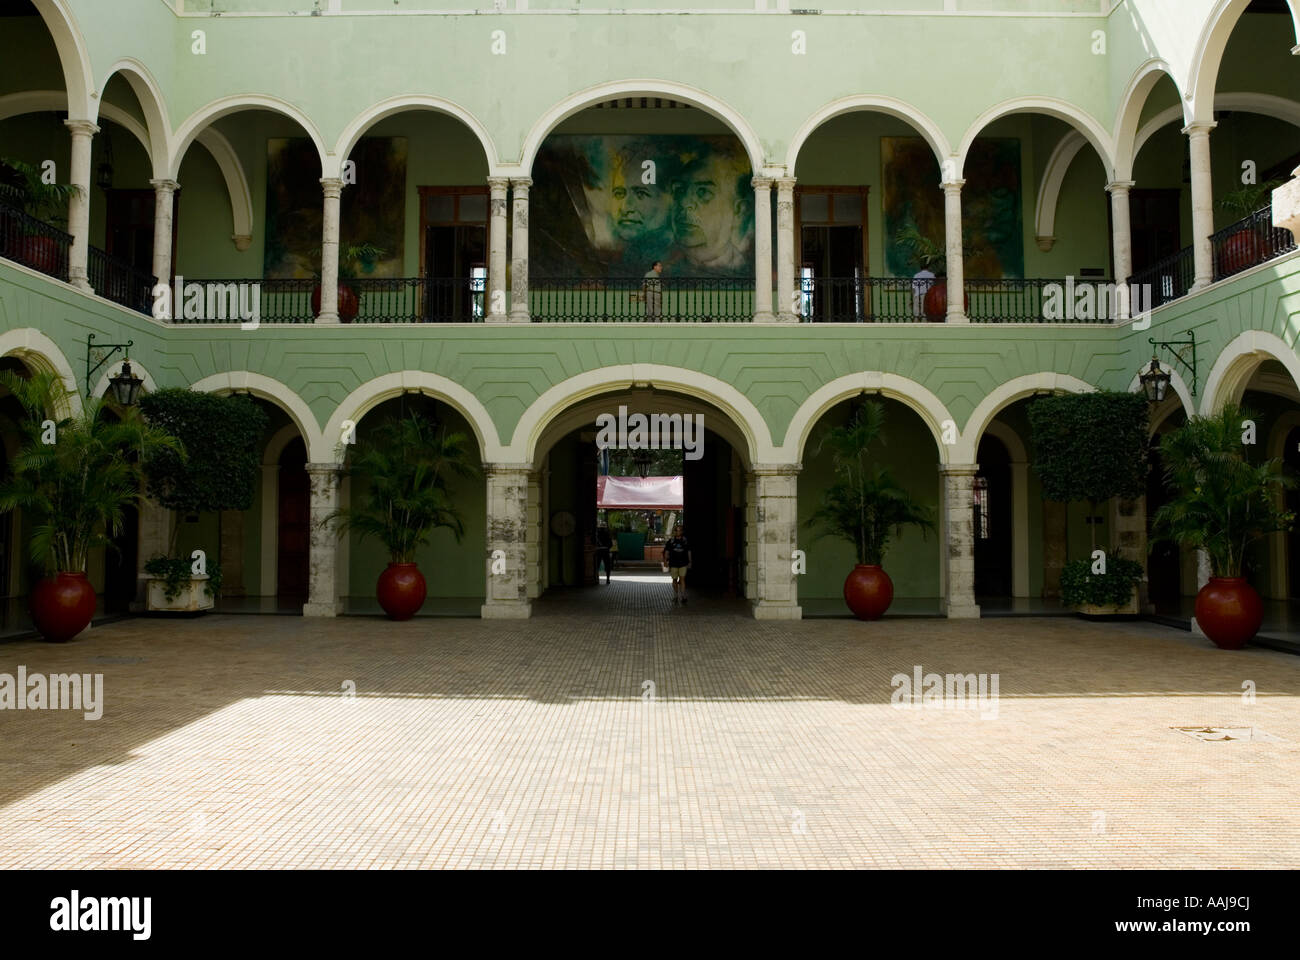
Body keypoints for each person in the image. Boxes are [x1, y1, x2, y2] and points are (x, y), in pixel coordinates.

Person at [664, 523, 692, 606]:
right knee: (674, 580)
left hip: (683, 563)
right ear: (674, 531)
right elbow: (667, 551)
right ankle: (676, 595)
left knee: (682, 579)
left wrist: (690, 561)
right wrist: (665, 560)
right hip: (673, 563)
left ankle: (683, 596)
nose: (678, 532)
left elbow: (688, 551)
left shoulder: (685, 541)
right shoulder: (671, 541)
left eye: (680, 530)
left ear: (682, 531)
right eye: (676, 530)